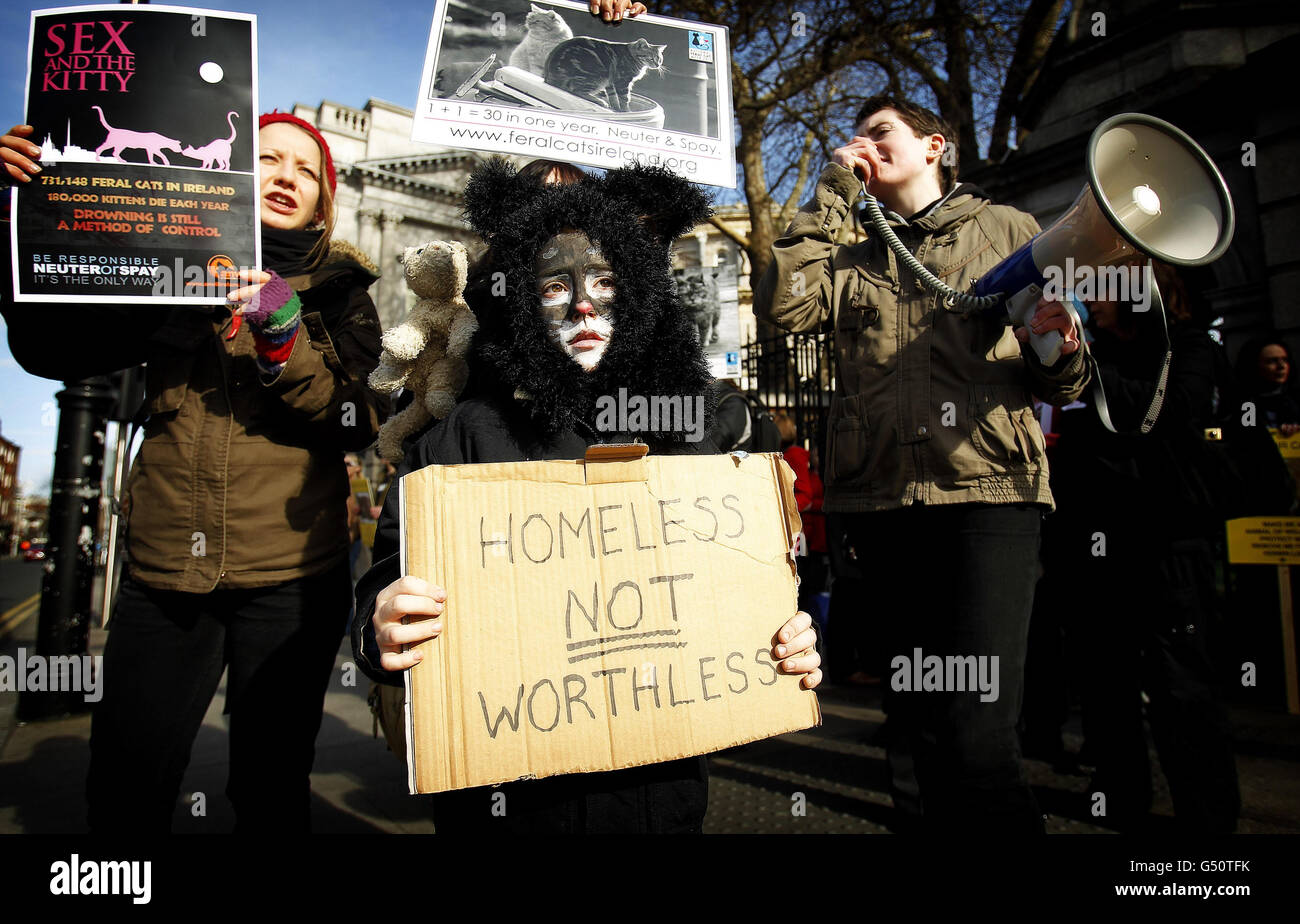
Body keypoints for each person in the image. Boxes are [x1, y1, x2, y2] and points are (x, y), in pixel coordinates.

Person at [352, 158, 822, 833]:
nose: (582, 304)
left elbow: (746, 581)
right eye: (554, 285)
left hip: (662, 797)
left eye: (605, 281)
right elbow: (383, 585)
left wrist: (784, 630)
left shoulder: (691, 429)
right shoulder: (458, 438)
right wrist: (380, 626)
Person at [2, 111, 387, 832]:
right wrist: (25, 212)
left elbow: (356, 417)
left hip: (291, 576)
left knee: (271, 790)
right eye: (268, 159)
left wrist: (279, 322)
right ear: (237, 176)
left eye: (305, 170)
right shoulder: (170, 260)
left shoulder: (342, 294)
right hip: (165, 572)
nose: (285, 176)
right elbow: (51, 343)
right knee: (125, 785)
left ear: (324, 200)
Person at [753, 95, 1089, 832]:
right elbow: (783, 305)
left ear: (935, 145)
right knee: (913, 727)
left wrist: (1056, 347)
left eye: (881, 133)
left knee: (976, 732)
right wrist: (834, 193)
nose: (864, 144)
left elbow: (1066, 378)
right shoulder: (848, 250)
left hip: (986, 498)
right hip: (878, 504)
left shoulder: (1007, 229)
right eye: (855, 138)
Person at [1049, 263, 1241, 832]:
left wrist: (1089, 369)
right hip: (1097, 551)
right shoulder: (1092, 356)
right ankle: (1119, 793)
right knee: (1106, 683)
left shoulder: (1189, 350)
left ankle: (1205, 816)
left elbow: (1167, 415)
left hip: (1167, 548)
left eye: (1100, 293)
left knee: (1181, 687)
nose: (1091, 303)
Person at [1236, 335, 1300, 435]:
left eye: (1285, 360)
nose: (1281, 366)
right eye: (1272, 361)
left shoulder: (1295, 400)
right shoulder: (1246, 405)